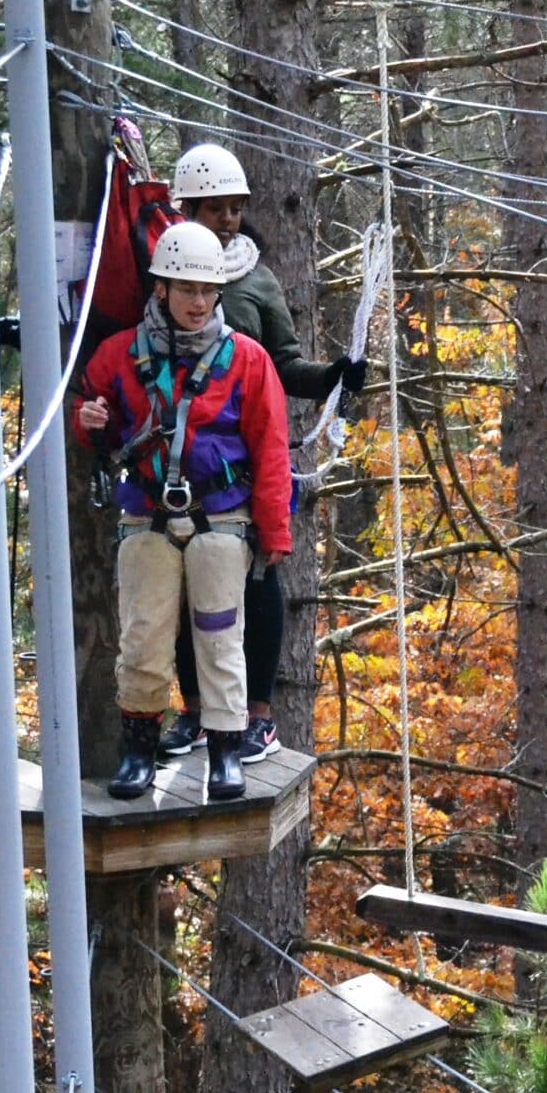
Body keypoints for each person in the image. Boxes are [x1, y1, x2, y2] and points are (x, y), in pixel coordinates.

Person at [154, 144, 366, 762]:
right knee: (185, 583)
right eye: (213, 209)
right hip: (180, 459)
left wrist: (332, 377)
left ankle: (258, 715)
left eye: (234, 209)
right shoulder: (163, 278)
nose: (226, 220)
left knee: (258, 576)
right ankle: (196, 711)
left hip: (245, 458)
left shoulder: (256, 279)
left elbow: (284, 364)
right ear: (186, 210)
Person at [74, 220, 293, 801]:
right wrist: (89, 421)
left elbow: (271, 447)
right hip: (146, 513)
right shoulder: (120, 355)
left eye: (208, 292)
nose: (199, 303)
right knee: (143, 638)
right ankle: (138, 751)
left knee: (220, 638)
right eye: (188, 290)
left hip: (220, 516)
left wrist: (274, 530)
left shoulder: (246, 360)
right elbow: (93, 413)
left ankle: (226, 751)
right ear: (161, 289)